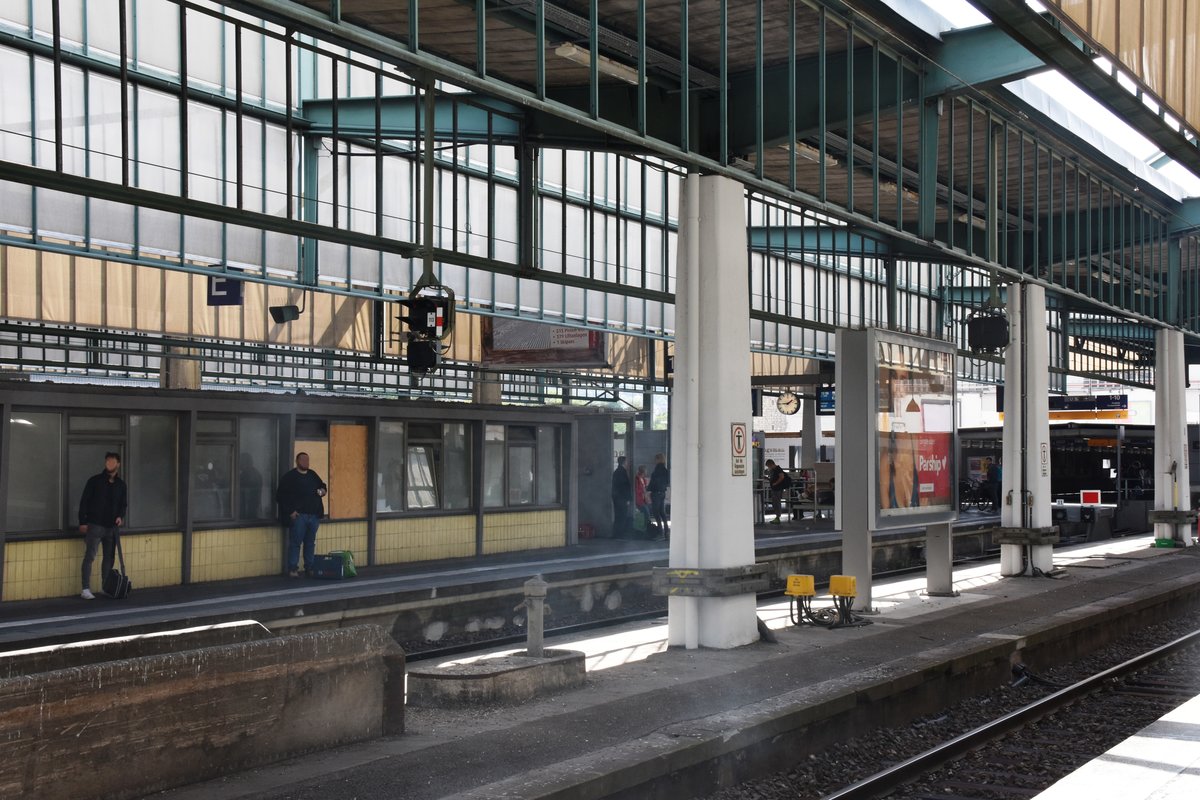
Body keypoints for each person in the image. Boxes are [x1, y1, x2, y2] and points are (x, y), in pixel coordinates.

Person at [78, 451, 127, 600]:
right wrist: (82, 521)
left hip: (111, 527)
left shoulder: (121, 484)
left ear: (118, 464)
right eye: (107, 461)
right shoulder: (95, 481)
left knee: (109, 557)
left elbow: (123, 504)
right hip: (95, 524)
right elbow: (84, 501)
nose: (109, 464)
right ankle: (85, 588)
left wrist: (120, 517)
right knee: (90, 556)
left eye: (112, 462)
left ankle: (106, 587)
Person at [276, 452, 328, 577]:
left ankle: (309, 567)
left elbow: (322, 487)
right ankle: (293, 568)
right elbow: (280, 495)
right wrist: (291, 511)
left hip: (313, 515)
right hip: (300, 516)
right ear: (297, 461)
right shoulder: (290, 477)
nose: (306, 463)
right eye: (303, 460)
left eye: (307, 460)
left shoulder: (312, 475)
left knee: (310, 542)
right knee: (295, 542)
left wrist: (322, 491)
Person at [648, 453, 670, 541]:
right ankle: (666, 532)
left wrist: (648, 489)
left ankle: (660, 533)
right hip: (662, 493)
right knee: (662, 513)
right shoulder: (665, 470)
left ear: (658, 459)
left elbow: (653, 482)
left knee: (656, 513)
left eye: (655, 459)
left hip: (656, 493)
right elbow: (668, 481)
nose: (654, 461)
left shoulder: (657, 470)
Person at [610, 455, 633, 538]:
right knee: (622, 515)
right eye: (627, 461)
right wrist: (628, 498)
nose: (628, 463)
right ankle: (619, 534)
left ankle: (617, 533)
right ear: (624, 462)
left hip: (617, 497)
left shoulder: (617, 471)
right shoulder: (622, 472)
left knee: (618, 516)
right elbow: (625, 487)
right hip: (621, 498)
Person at [765, 459, 791, 524]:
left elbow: (781, 477)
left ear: (770, 464)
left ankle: (778, 517)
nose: (768, 468)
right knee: (775, 502)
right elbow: (773, 479)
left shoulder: (778, 469)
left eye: (768, 466)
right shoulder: (774, 470)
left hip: (777, 489)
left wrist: (776, 483)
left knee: (777, 502)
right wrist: (767, 479)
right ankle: (777, 517)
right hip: (775, 488)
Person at [633, 465, 651, 535]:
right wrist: (643, 491)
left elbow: (645, 487)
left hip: (643, 499)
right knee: (646, 513)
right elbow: (637, 490)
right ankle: (646, 529)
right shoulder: (637, 479)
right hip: (639, 499)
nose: (646, 472)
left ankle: (645, 529)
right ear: (643, 471)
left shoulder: (643, 479)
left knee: (646, 513)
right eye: (645, 471)